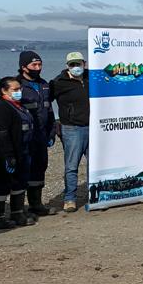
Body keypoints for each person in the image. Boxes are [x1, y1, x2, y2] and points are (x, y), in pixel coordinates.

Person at [0, 77, 35, 228]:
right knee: (2, 185)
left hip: (22, 152)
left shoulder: (19, 106)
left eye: (19, 89)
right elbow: (1, 135)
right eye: (15, 90)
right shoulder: (1, 108)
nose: (19, 92)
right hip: (4, 155)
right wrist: (8, 157)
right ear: (4, 91)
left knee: (20, 183)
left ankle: (17, 213)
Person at [17, 50, 57, 219]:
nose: (37, 67)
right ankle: (18, 209)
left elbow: (49, 110)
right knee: (22, 172)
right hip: (24, 138)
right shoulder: (17, 85)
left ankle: (36, 205)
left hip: (41, 136)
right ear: (23, 66)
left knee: (39, 169)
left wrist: (52, 131)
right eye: (34, 65)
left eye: (40, 64)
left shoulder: (44, 84)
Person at [50, 51, 89, 213]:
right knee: (72, 166)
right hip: (71, 129)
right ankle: (70, 199)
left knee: (94, 165)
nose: (75, 67)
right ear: (67, 66)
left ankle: (94, 194)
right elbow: (44, 102)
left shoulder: (91, 78)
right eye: (72, 64)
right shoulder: (58, 82)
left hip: (94, 127)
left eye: (78, 64)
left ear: (84, 64)